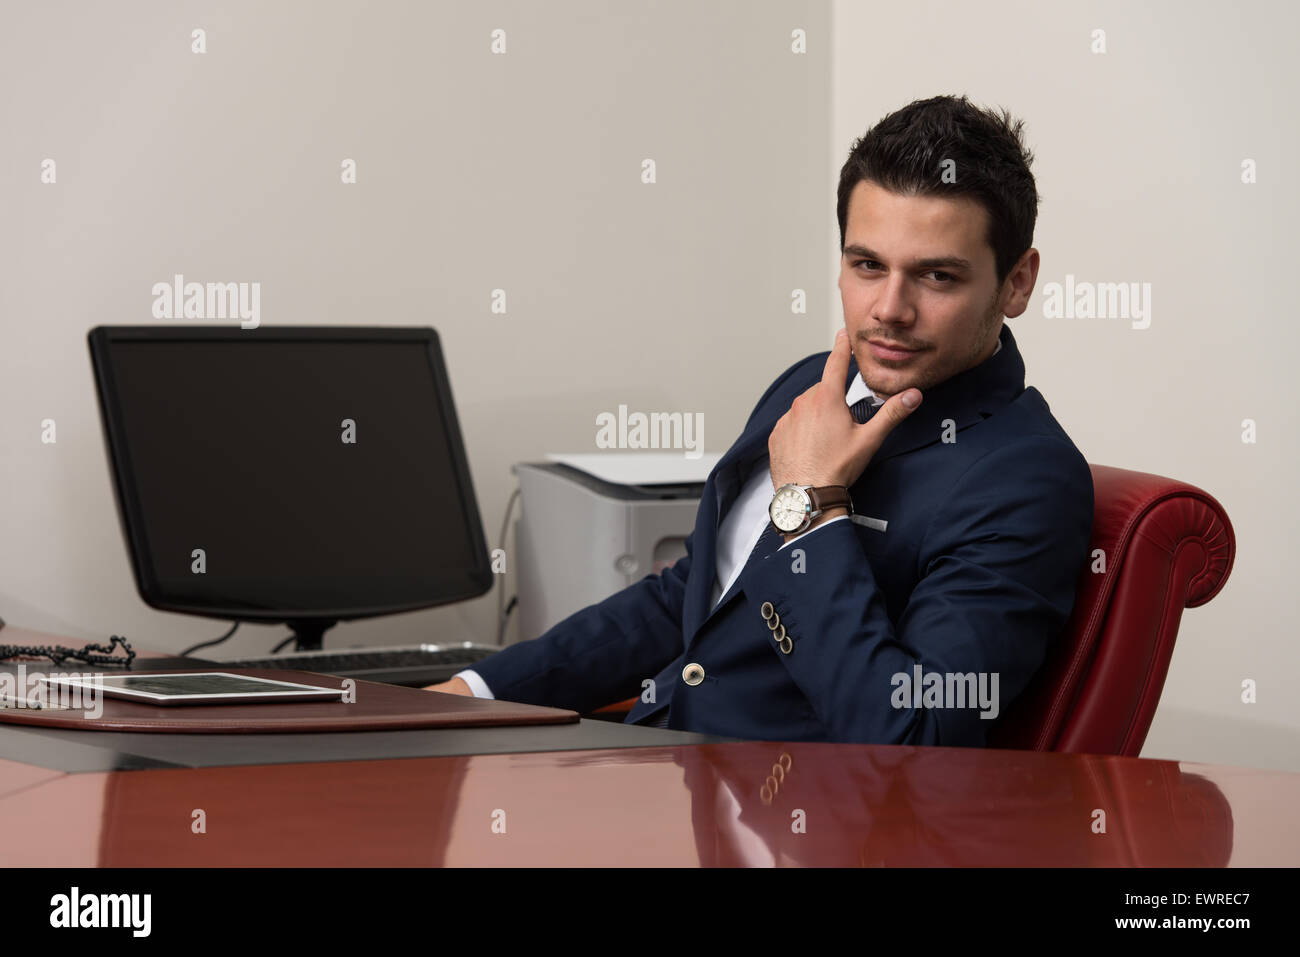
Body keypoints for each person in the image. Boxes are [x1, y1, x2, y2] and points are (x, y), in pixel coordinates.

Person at [426, 94, 1093, 746]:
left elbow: (910, 733)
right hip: (656, 771)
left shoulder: (1024, 478)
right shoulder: (808, 385)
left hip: (790, 808)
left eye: (938, 276)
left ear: (1017, 282)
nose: (890, 309)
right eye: (867, 265)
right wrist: (476, 690)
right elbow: (694, 594)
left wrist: (813, 505)